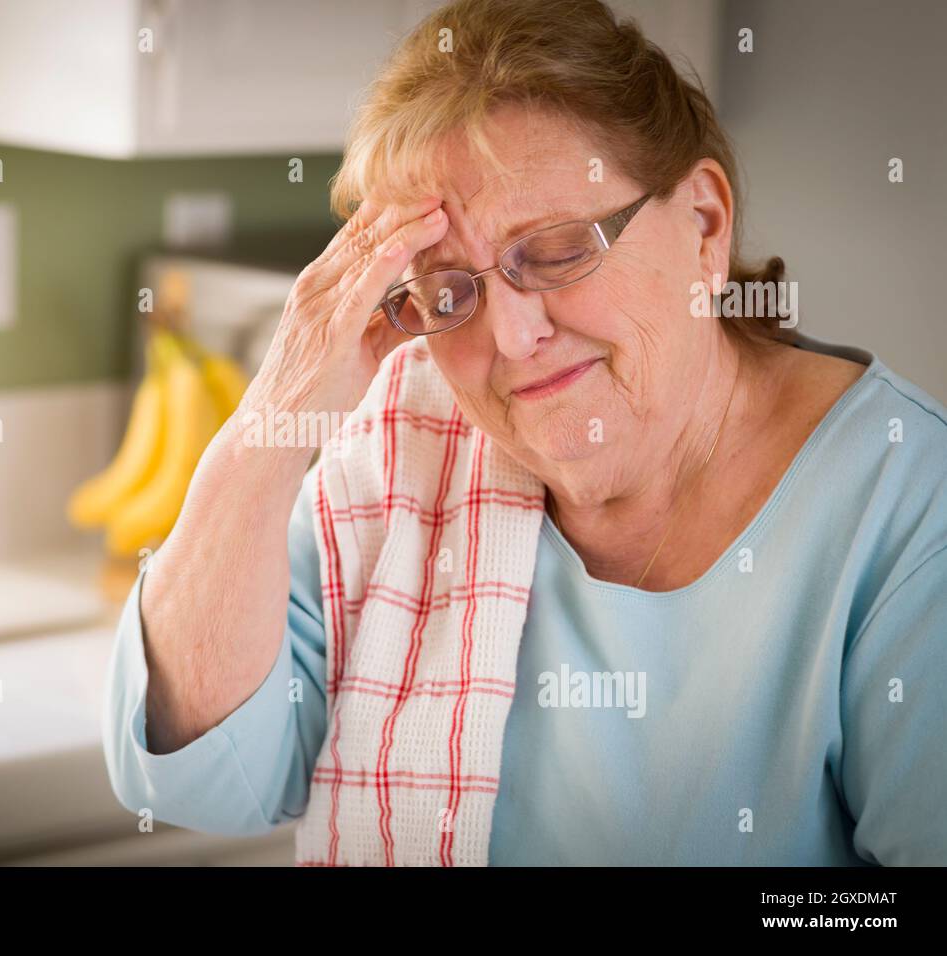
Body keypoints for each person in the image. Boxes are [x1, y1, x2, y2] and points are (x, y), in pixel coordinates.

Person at [101, 0, 947, 865]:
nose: (509, 338)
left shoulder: (906, 505)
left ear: (702, 225)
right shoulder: (409, 437)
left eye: (554, 252)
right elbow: (202, 774)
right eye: (448, 292)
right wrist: (273, 421)